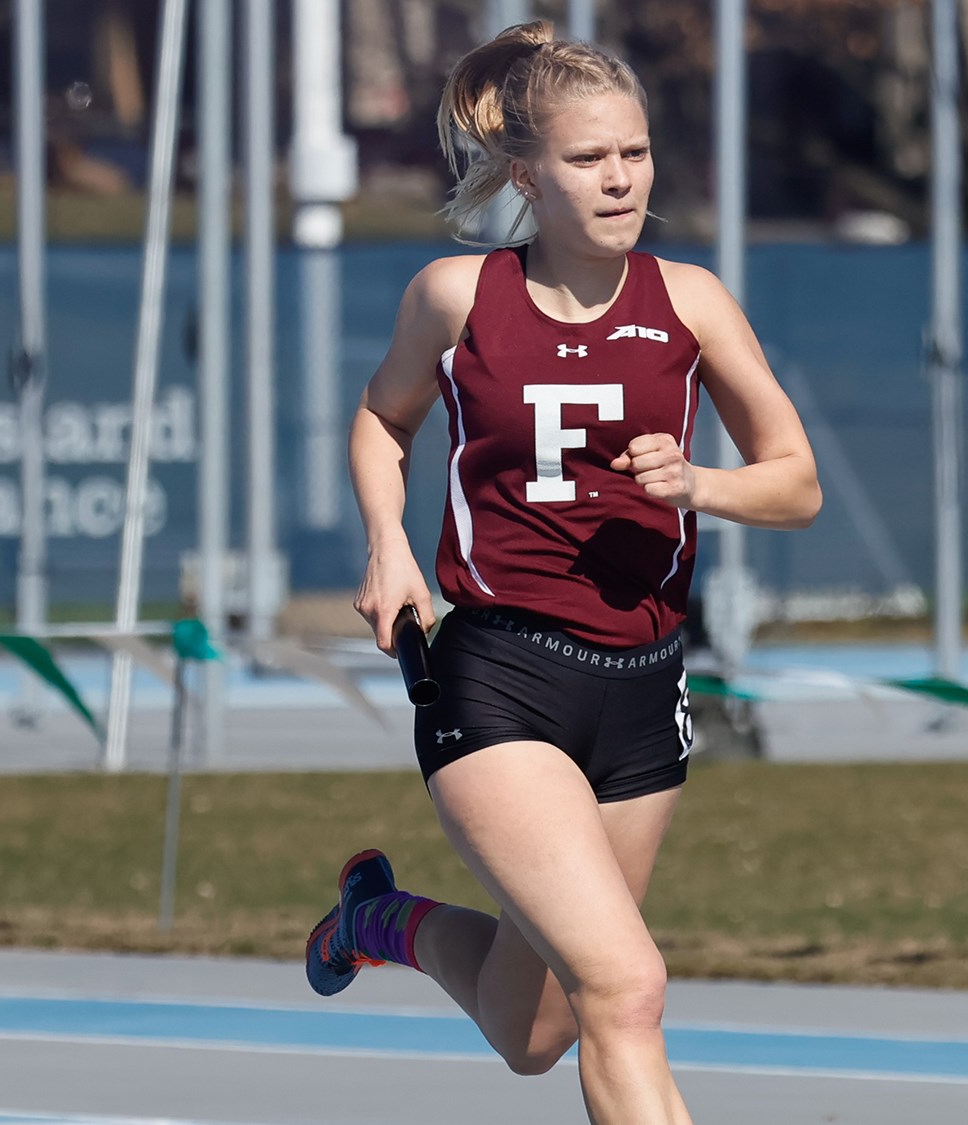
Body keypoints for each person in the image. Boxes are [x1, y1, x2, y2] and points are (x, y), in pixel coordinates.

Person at [306, 20, 821, 1125]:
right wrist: (388, 545)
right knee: (625, 989)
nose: (620, 178)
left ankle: (377, 922)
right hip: (497, 678)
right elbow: (376, 420)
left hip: (640, 689)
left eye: (633, 153)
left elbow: (795, 484)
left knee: (535, 1031)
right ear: (526, 175)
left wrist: (700, 485)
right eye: (590, 160)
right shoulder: (455, 297)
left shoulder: (689, 302)